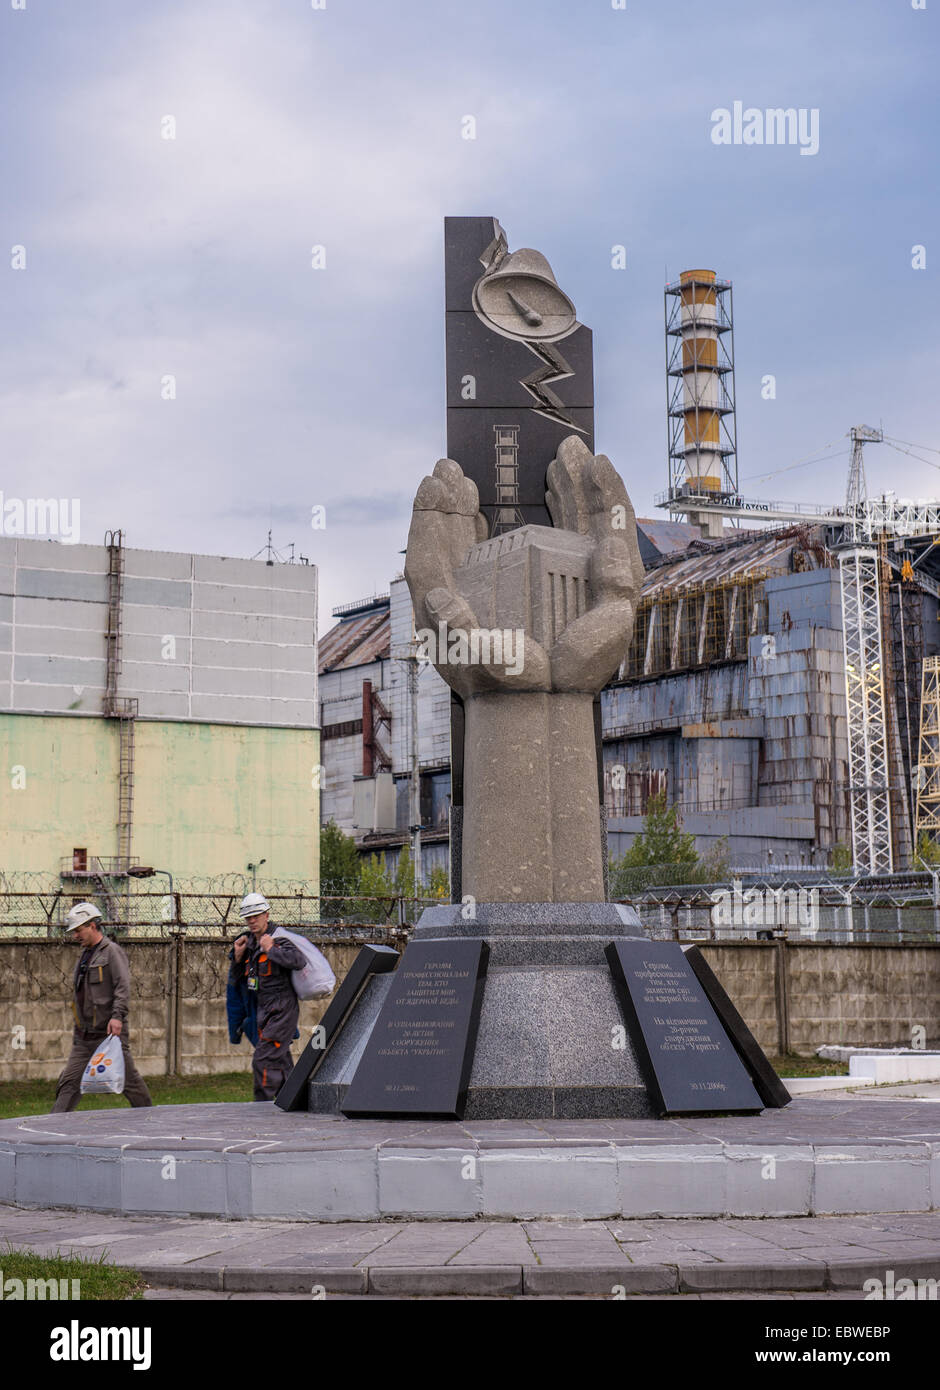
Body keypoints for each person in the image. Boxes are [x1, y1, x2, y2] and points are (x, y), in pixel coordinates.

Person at [52, 901, 152, 1112]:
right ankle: (53, 1126)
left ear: (93, 926)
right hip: (84, 1036)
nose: (75, 936)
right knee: (69, 1083)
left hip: (109, 1034)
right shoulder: (85, 956)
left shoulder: (111, 952)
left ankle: (149, 1117)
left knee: (128, 1081)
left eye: (79, 930)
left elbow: (122, 986)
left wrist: (117, 1016)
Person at [231, 892, 306, 1101]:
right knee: (281, 1062)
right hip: (263, 1012)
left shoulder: (280, 938)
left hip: (283, 1011)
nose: (252, 921)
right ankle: (297, 1101)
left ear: (266, 914)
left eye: (256, 915)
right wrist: (237, 958)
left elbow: (298, 960)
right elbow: (238, 981)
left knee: (262, 1060)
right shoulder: (249, 944)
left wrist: (271, 949)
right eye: (248, 917)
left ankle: (262, 1108)